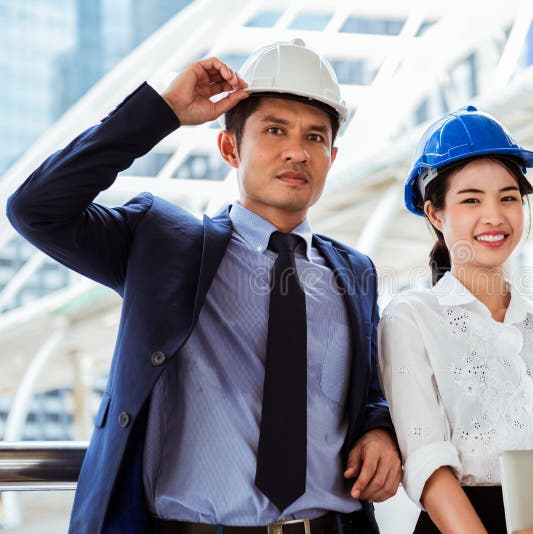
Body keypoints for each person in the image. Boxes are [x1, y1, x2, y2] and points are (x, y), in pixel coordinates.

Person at [7, 39, 401, 534]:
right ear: (229, 147)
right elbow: (36, 208)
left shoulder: (354, 271)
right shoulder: (164, 246)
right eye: (275, 130)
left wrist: (379, 429)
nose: (297, 151)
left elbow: (369, 392)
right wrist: (163, 111)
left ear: (332, 156)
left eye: (316, 138)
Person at [377, 106, 533, 534]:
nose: (494, 216)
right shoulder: (411, 318)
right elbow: (427, 462)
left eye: (509, 197)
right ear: (435, 214)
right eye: (471, 199)